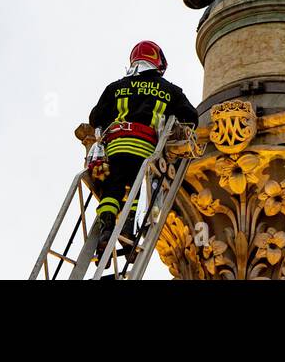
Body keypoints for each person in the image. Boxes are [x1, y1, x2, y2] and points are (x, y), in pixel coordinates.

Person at [82, 40, 198, 259]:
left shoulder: (115, 87)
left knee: (112, 190)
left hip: (116, 148)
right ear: (158, 63)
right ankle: (128, 231)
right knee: (138, 189)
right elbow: (191, 118)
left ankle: (106, 229)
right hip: (145, 149)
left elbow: (96, 117)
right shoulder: (169, 90)